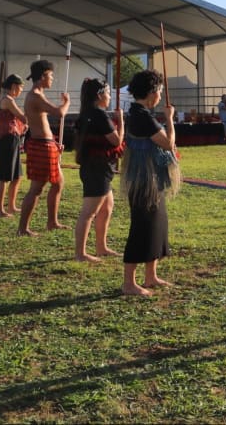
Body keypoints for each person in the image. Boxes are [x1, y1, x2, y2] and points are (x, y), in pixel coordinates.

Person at [120, 69, 180, 296]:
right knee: (142, 228)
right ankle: (128, 282)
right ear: (153, 92)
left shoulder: (138, 112)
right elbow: (167, 143)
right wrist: (170, 119)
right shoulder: (142, 115)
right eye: (160, 91)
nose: (161, 96)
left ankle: (150, 275)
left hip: (150, 178)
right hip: (144, 180)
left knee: (157, 225)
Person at [18, 60, 71, 236]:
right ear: (42, 77)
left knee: (58, 183)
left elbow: (43, 123)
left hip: (47, 144)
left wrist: (54, 144)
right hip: (41, 146)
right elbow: (60, 113)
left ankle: (52, 222)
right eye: (50, 75)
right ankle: (23, 228)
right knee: (36, 188)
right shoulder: (35, 96)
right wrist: (67, 102)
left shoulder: (38, 94)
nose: (52, 79)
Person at [74, 78, 124, 262]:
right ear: (99, 95)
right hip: (97, 168)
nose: (110, 97)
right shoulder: (99, 115)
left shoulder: (86, 113)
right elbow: (117, 141)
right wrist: (121, 121)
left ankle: (101, 247)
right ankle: (80, 253)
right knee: (89, 212)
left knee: (107, 207)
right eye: (108, 93)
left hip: (96, 167)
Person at [0, 75, 27, 218]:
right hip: (6, 139)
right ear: (14, 86)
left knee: (17, 175)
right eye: (20, 87)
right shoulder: (7, 100)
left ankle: (11, 205)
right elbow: (22, 116)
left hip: (12, 138)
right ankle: (0, 210)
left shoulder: (8, 100)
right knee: (4, 177)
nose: (21, 90)